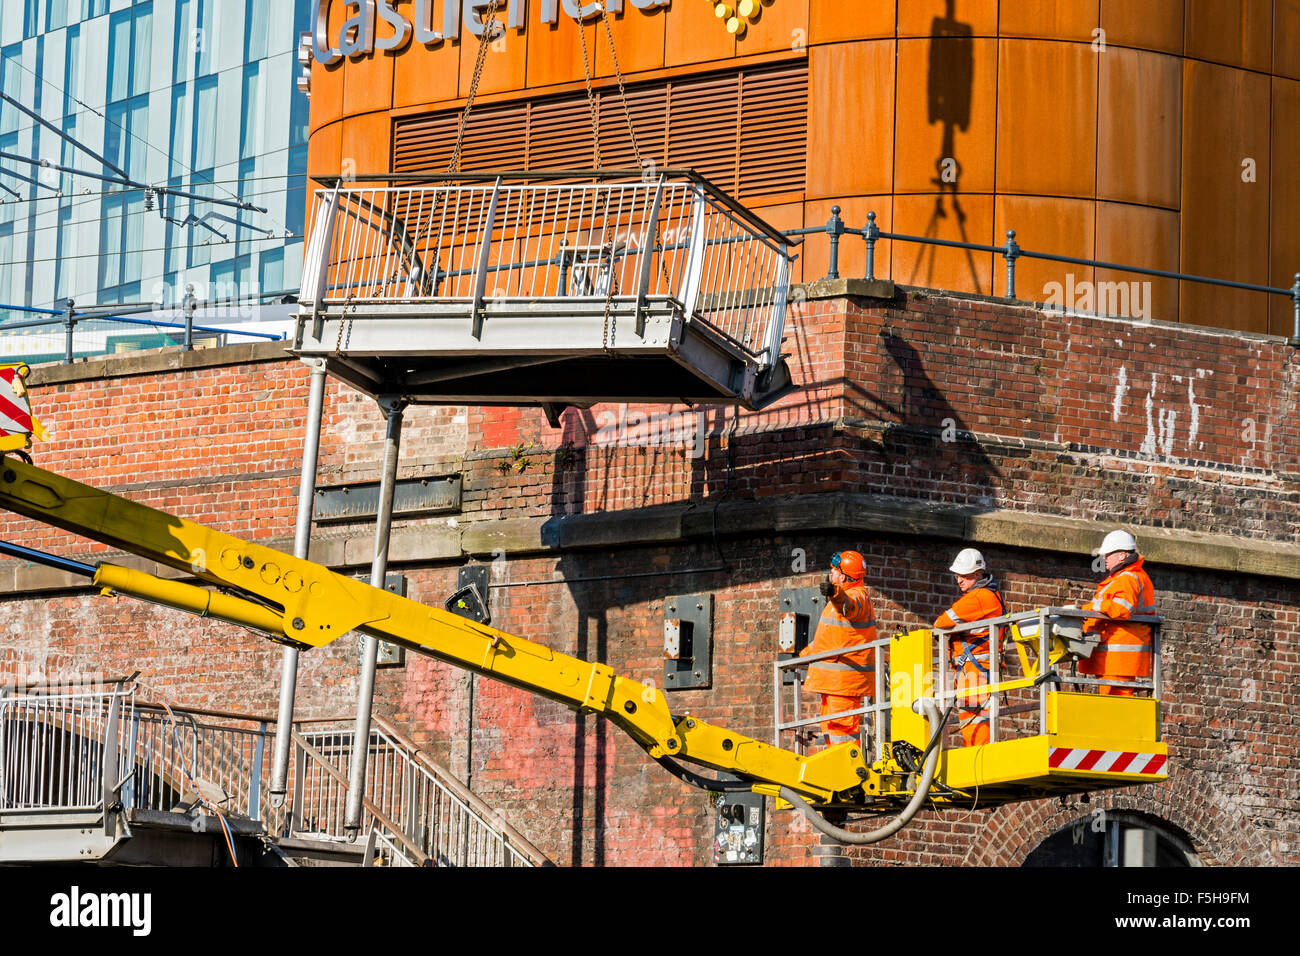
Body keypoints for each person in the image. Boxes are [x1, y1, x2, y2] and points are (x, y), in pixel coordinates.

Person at [798, 550, 876, 748]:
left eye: (833, 571)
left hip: (844, 685)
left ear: (842, 576)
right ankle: (837, 772)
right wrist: (802, 657)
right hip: (833, 686)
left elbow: (849, 606)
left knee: (843, 735)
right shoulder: (838, 602)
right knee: (831, 731)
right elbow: (828, 641)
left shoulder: (858, 596)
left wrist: (835, 593)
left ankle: (847, 774)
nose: (830, 574)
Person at [933, 548, 1007, 747]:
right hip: (977, 671)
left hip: (975, 673)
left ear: (976, 574)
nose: (958, 580)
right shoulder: (991, 595)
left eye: (963, 575)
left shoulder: (978, 598)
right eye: (957, 575)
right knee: (973, 723)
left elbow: (940, 623)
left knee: (976, 726)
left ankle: (979, 767)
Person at [1079, 530, 1156, 696]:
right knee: (1113, 707)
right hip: (1115, 659)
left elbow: (1123, 609)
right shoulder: (1122, 578)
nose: (1104, 559)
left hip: (1120, 658)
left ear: (1121, 555)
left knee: (1116, 706)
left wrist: (1094, 607)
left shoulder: (1128, 578)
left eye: (1108, 554)